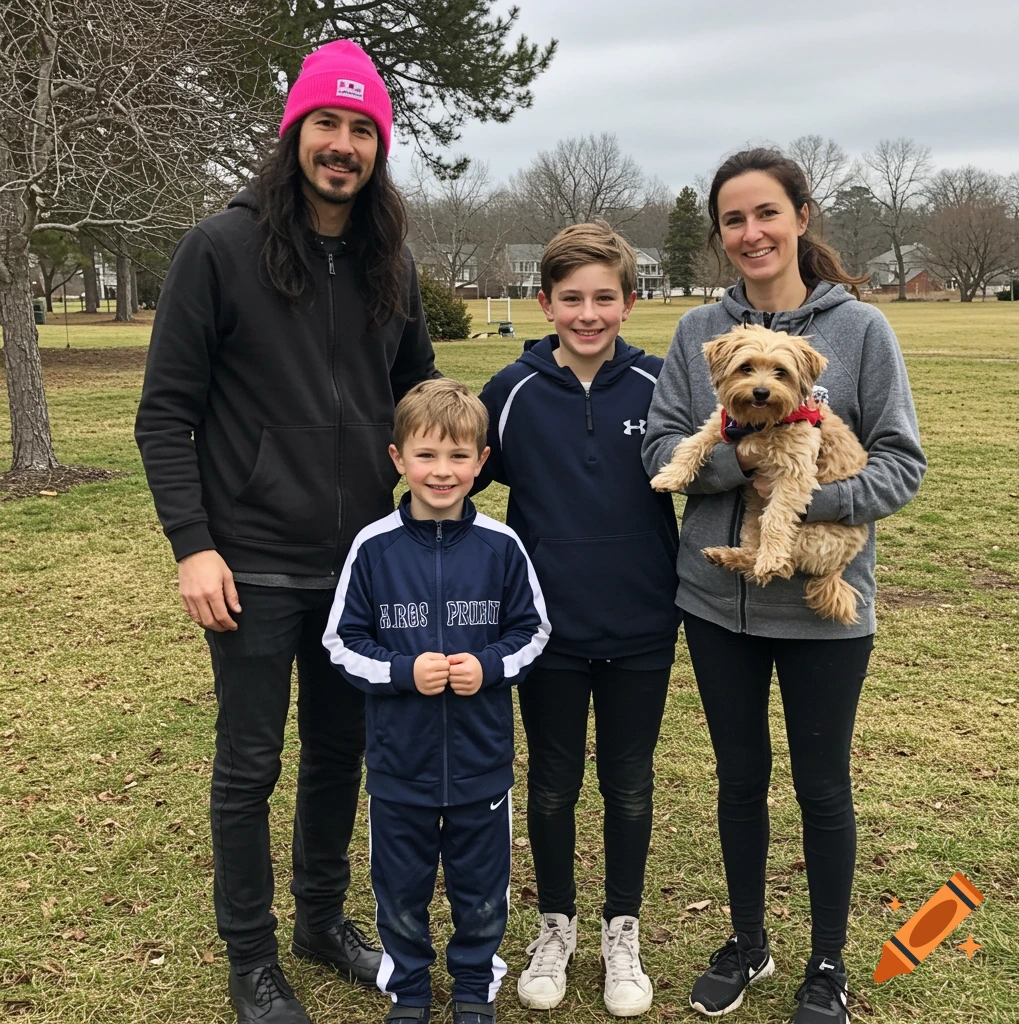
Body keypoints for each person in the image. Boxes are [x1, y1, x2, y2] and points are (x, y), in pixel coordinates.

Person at [134, 39, 439, 1024]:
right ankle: (252, 960)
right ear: (294, 132)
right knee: (250, 763)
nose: (343, 145)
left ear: (377, 147)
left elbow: (419, 399)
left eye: (362, 129)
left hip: (358, 567)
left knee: (338, 750)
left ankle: (318, 919)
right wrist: (193, 544)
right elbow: (163, 413)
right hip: (250, 565)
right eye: (328, 124)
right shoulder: (217, 250)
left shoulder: (391, 258)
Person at [641, 148, 926, 1024]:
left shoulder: (862, 330)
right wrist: (737, 465)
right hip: (715, 603)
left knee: (822, 786)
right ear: (721, 233)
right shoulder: (697, 333)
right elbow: (662, 455)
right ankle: (749, 942)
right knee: (738, 780)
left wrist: (801, 502)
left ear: (802, 216)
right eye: (733, 219)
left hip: (821, 612)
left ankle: (829, 963)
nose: (751, 232)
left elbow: (902, 467)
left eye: (767, 213)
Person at [474, 222, 681, 1017]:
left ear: (630, 301)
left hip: (642, 624)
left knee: (628, 783)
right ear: (545, 303)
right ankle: (554, 926)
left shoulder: (660, 385)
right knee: (554, 784)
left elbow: (720, 466)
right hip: (544, 632)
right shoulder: (512, 390)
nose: (588, 314)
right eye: (571, 299)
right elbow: (456, 472)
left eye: (604, 297)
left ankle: (620, 930)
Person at [323, 378, 550, 1024]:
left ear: (482, 464)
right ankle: (412, 988)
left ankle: (475, 988)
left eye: (458, 457)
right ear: (399, 459)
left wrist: (489, 666)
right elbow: (341, 641)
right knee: (400, 889)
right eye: (426, 456)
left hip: (482, 763)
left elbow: (533, 632)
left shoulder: (502, 548)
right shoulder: (374, 548)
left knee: (482, 890)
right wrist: (400, 672)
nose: (442, 471)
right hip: (400, 769)